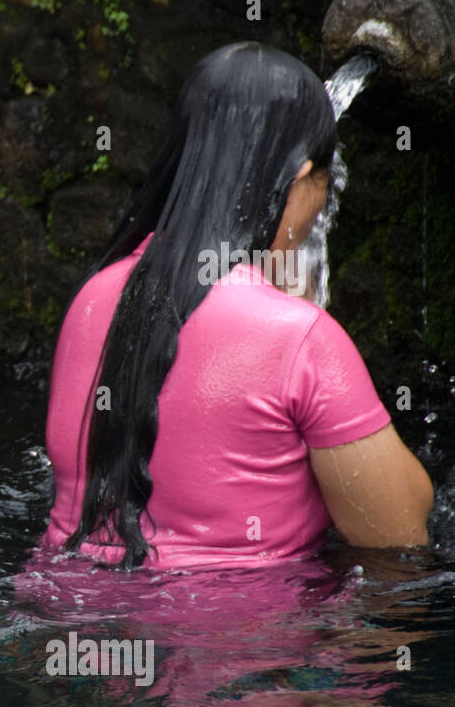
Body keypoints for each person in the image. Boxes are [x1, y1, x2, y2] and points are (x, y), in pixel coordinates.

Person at [41, 41, 432, 570]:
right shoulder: (298, 336)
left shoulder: (92, 297)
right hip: (233, 641)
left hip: (65, 618)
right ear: (299, 181)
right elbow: (397, 532)